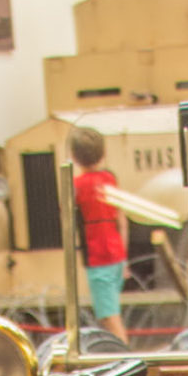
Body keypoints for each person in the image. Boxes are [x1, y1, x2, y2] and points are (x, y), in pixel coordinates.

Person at [69, 126, 127, 342]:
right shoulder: (110, 179)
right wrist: (125, 257)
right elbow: (121, 220)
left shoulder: (76, 186)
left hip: (97, 256)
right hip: (116, 253)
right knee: (109, 314)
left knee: (109, 317)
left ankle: (126, 355)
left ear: (74, 156)